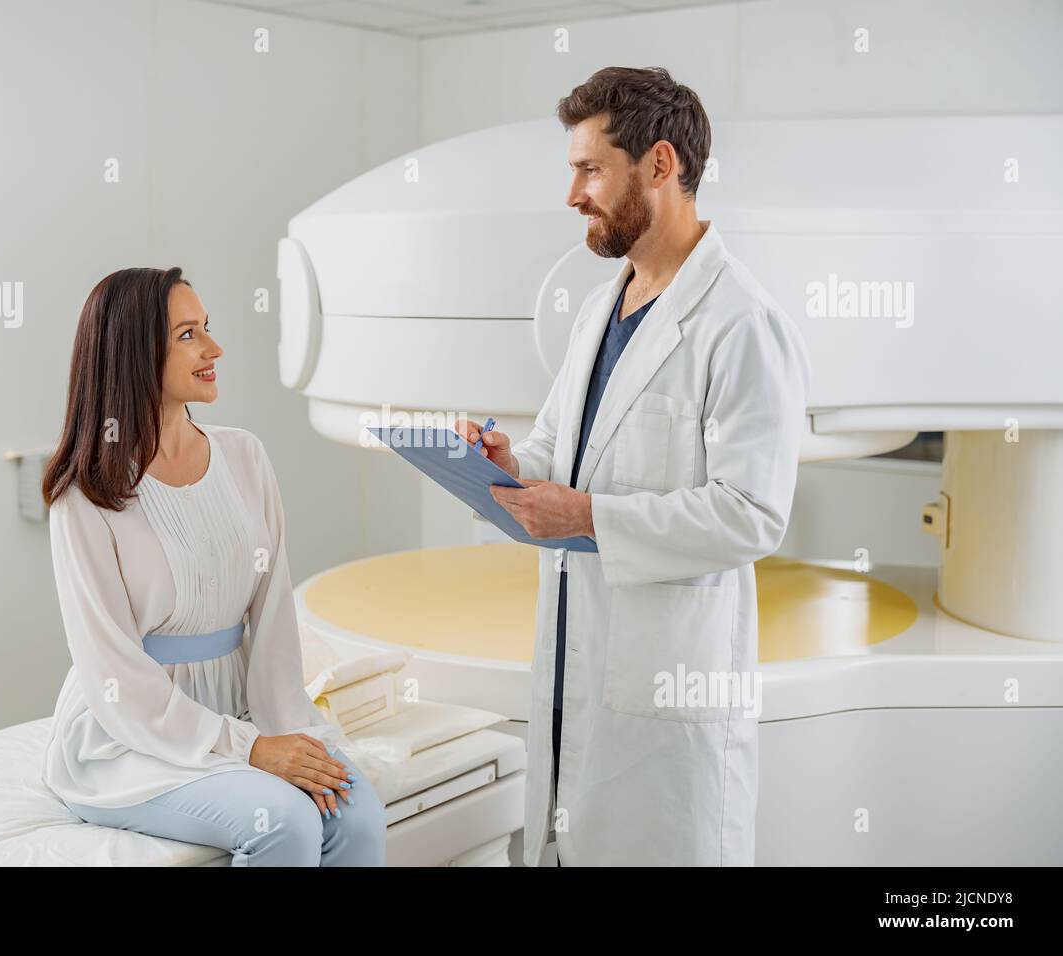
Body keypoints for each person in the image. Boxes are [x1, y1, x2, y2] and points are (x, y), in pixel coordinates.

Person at [456, 66, 810, 866]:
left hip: (668, 689)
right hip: (579, 666)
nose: (573, 194)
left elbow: (753, 512)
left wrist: (586, 518)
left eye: (590, 170)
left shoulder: (742, 323)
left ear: (659, 165)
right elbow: (564, 455)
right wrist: (510, 462)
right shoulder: (599, 306)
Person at [40, 266, 386, 866]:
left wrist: (292, 736)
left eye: (207, 328)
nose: (213, 348)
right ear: (133, 354)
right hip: (129, 735)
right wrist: (250, 750)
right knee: (282, 822)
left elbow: (274, 621)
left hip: (243, 710)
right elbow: (114, 675)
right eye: (187, 335)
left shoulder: (244, 457)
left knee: (356, 815)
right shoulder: (85, 496)